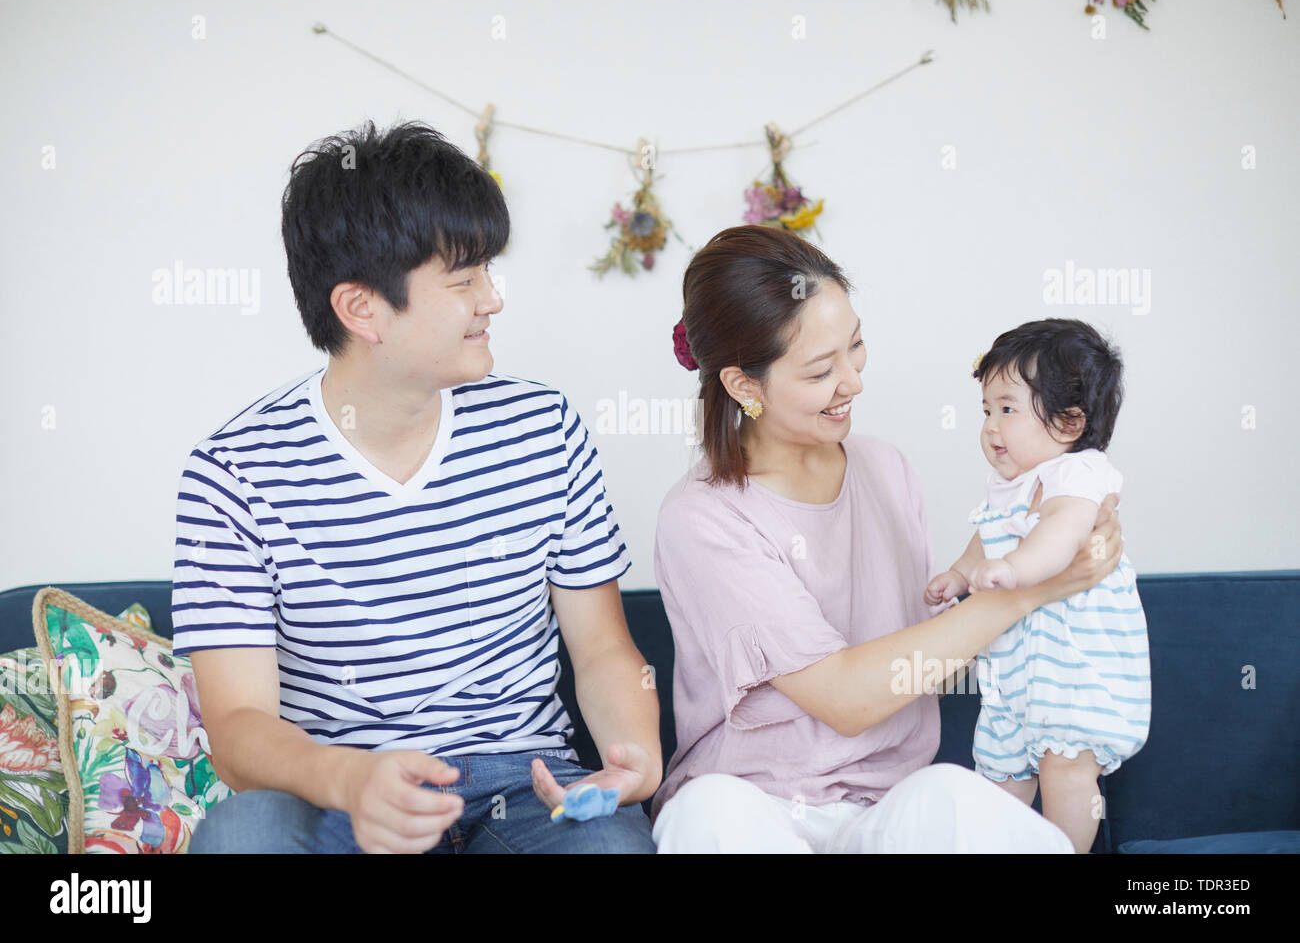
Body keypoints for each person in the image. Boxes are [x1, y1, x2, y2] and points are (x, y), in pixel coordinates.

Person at [173, 119, 659, 854]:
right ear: (361, 309)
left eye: (487, 273)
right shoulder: (234, 472)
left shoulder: (543, 426)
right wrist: (349, 783)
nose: (492, 300)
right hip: (345, 792)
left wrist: (634, 759)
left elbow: (600, 647)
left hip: (521, 786)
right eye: (464, 281)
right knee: (245, 837)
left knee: (612, 848)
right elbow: (239, 728)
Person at [651, 224, 1123, 853]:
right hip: (757, 812)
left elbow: (933, 643)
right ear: (744, 386)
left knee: (951, 798)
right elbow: (845, 698)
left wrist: (1060, 536)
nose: (854, 380)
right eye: (822, 369)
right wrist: (1028, 592)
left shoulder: (886, 468)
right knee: (709, 812)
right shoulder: (702, 517)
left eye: (857, 346)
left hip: (886, 809)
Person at [926, 319, 1150, 852]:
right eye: (985, 410)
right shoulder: (1008, 486)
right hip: (1017, 678)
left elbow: (1062, 533)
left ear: (1070, 422)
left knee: (1067, 772)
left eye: (1006, 409)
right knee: (999, 782)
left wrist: (1017, 571)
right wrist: (960, 574)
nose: (989, 426)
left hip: (1076, 670)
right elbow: (987, 540)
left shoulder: (1079, 475)